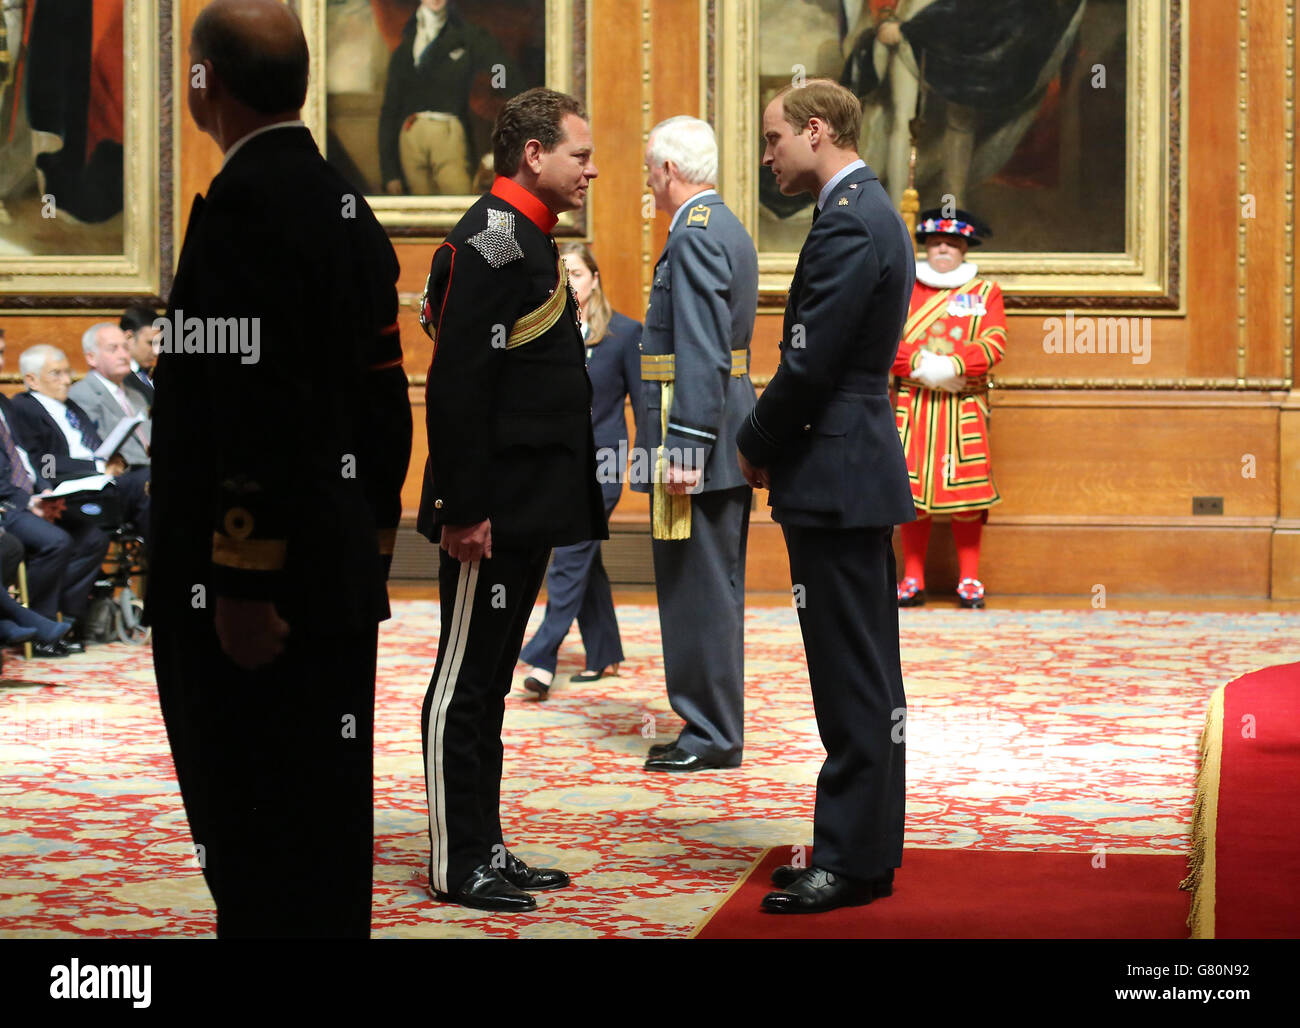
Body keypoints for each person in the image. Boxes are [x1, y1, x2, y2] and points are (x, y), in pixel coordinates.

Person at [148, 0, 411, 938]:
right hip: (335, 571)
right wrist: (365, 546)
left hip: (249, 594)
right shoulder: (346, 205)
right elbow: (386, 408)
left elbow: (250, 418)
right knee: (325, 816)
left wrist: (241, 581)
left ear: (202, 81)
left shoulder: (246, 211)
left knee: (252, 828)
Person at [415, 87, 604, 912]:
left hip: (523, 504)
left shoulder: (523, 239)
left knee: (490, 681)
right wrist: (463, 507)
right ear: (534, 154)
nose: (592, 169)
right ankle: (456, 862)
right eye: (580, 154)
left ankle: (485, 842)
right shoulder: (492, 241)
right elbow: (458, 385)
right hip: (485, 513)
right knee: (463, 682)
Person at [737, 78, 915, 914]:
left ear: (816, 131)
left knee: (850, 676)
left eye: (774, 139)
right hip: (850, 467)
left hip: (835, 472)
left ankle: (848, 861)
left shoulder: (849, 218)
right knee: (868, 674)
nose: (767, 155)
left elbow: (809, 365)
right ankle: (867, 851)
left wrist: (755, 442)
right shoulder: (866, 209)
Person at [635, 115, 758, 774]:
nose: (650, 183)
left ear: (669, 172)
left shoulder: (696, 236)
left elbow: (704, 351)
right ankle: (710, 723)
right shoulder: (721, 227)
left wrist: (683, 445)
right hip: (709, 435)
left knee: (699, 590)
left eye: (651, 171)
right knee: (707, 587)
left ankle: (709, 731)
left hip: (696, 443)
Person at [519, 243, 644, 698]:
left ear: (594, 278)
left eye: (575, 273)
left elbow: (643, 404)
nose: (568, 282)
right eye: (562, 274)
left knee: (570, 554)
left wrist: (649, 461)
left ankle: (542, 656)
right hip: (560, 462)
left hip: (605, 462)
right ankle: (604, 650)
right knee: (585, 556)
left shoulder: (626, 334)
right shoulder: (549, 332)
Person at [894, 206, 1006, 608]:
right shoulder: (904, 288)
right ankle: (911, 579)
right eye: (936, 242)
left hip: (963, 408)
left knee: (969, 498)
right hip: (915, 405)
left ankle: (970, 581)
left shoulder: (985, 293)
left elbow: (994, 342)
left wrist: (954, 365)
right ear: (925, 247)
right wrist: (922, 366)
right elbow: (882, 340)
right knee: (911, 497)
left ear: (964, 247)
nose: (943, 248)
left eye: (952, 243)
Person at [0, 337, 105, 656]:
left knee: (93, 536)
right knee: (53, 542)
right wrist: (24, 501)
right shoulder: (22, 404)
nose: (0, 360)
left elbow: (28, 455)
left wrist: (45, 490)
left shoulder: (4, 402)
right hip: (10, 503)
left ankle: (66, 618)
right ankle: (40, 625)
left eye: (2, 352)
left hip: (31, 493)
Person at [378, 0, 515, 195]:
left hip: (449, 135)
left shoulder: (469, 36)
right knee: (421, 214)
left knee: (458, 207)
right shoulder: (405, 43)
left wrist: (502, 147)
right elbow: (390, 109)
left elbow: (505, 73)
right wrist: (389, 173)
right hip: (409, 138)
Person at [68, 323, 152, 470]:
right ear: (91, 358)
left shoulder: (137, 396)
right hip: (126, 473)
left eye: (126, 348)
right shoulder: (81, 394)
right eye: (113, 349)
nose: (123, 355)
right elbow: (101, 447)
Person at [119, 305, 161, 399]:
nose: (156, 352)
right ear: (129, 338)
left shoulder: (154, 376)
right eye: (150, 343)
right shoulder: (116, 379)